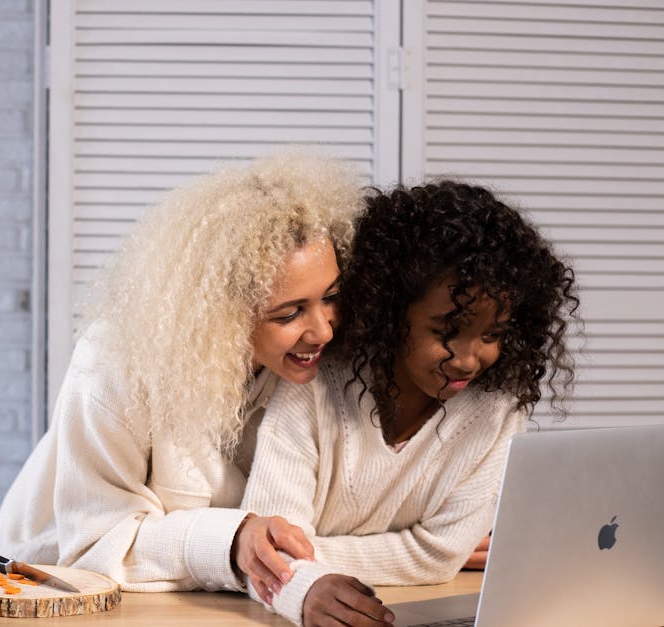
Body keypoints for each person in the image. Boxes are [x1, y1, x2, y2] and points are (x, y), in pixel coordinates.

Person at [0, 149, 366, 597]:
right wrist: (232, 540)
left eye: (331, 297)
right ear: (226, 313)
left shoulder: (314, 370)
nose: (322, 330)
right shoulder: (116, 363)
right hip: (44, 591)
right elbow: (93, 544)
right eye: (289, 314)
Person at [241, 180, 579, 627]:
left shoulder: (497, 411)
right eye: (446, 330)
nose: (468, 358)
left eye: (492, 334)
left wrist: (307, 551)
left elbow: (438, 557)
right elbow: (269, 551)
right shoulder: (313, 388)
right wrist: (288, 563)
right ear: (391, 311)